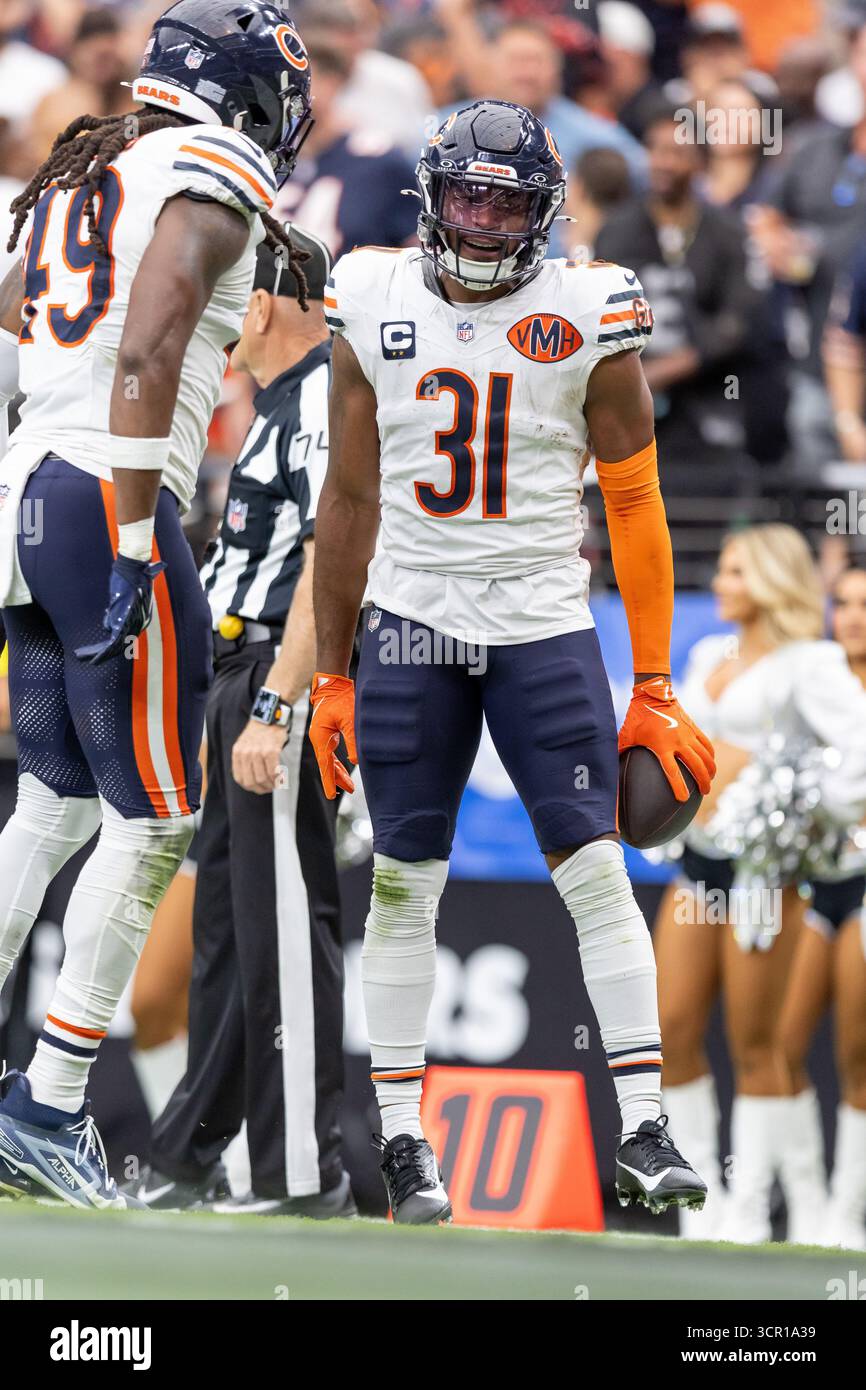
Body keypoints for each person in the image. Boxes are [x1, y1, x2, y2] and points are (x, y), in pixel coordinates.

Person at [309, 98, 716, 1224]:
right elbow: (346, 498)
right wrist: (333, 670)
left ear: (542, 214)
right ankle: (401, 1141)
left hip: (539, 618)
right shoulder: (373, 292)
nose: (482, 222)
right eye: (465, 196)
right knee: (402, 883)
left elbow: (632, 499)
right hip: (410, 621)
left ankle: (640, 1123)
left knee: (593, 866)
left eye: (505, 202)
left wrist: (652, 681)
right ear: (432, 197)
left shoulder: (587, 307)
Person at [0, 0, 313, 1210]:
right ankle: (50, 1105)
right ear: (243, 88)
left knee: (53, 801)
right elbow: (149, 344)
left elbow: (21, 307)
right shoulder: (211, 160)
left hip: (34, 479)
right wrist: (137, 535)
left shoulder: (97, 164)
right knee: (153, 823)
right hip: (105, 494)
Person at [134, 230, 353, 1218]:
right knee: (231, 934)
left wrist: (278, 700)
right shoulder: (282, 401)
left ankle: (302, 1172)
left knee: (280, 933)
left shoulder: (315, 395)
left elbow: (331, 551)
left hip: (276, 672)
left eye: (229, 301)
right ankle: (191, 1151)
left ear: (260, 306)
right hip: (244, 673)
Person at [656, 526, 866, 1243]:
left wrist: (820, 805)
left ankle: (750, 1209)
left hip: (764, 877)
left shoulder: (811, 664)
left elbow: (860, 737)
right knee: (673, 1027)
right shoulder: (711, 654)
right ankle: (699, 1198)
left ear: (773, 580)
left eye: (736, 571)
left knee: (758, 1045)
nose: (720, 582)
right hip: (699, 865)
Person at [594, 105, 763, 495]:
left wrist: (675, 366)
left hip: (711, 402)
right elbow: (598, 315)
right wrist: (635, 377)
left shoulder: (727, 233)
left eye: (677, 152)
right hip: (630, 401)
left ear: (701, 162)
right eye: (655, 150)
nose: (664, 162)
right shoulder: (619, 229)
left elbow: (741, 322)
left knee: (703, 519)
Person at [777, 565, 866, 1250]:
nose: (854, 616)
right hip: (818, 885)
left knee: (857, 1055)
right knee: (784, 1042)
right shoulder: (813, 688)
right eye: (844, 602)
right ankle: (807, 1203)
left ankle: (846, 1212)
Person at [274, 37, 418, 258]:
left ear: (333, 82)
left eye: (297, 79)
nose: (284, 91)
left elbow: (416, 255)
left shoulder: (380, 160)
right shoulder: (270, 155)